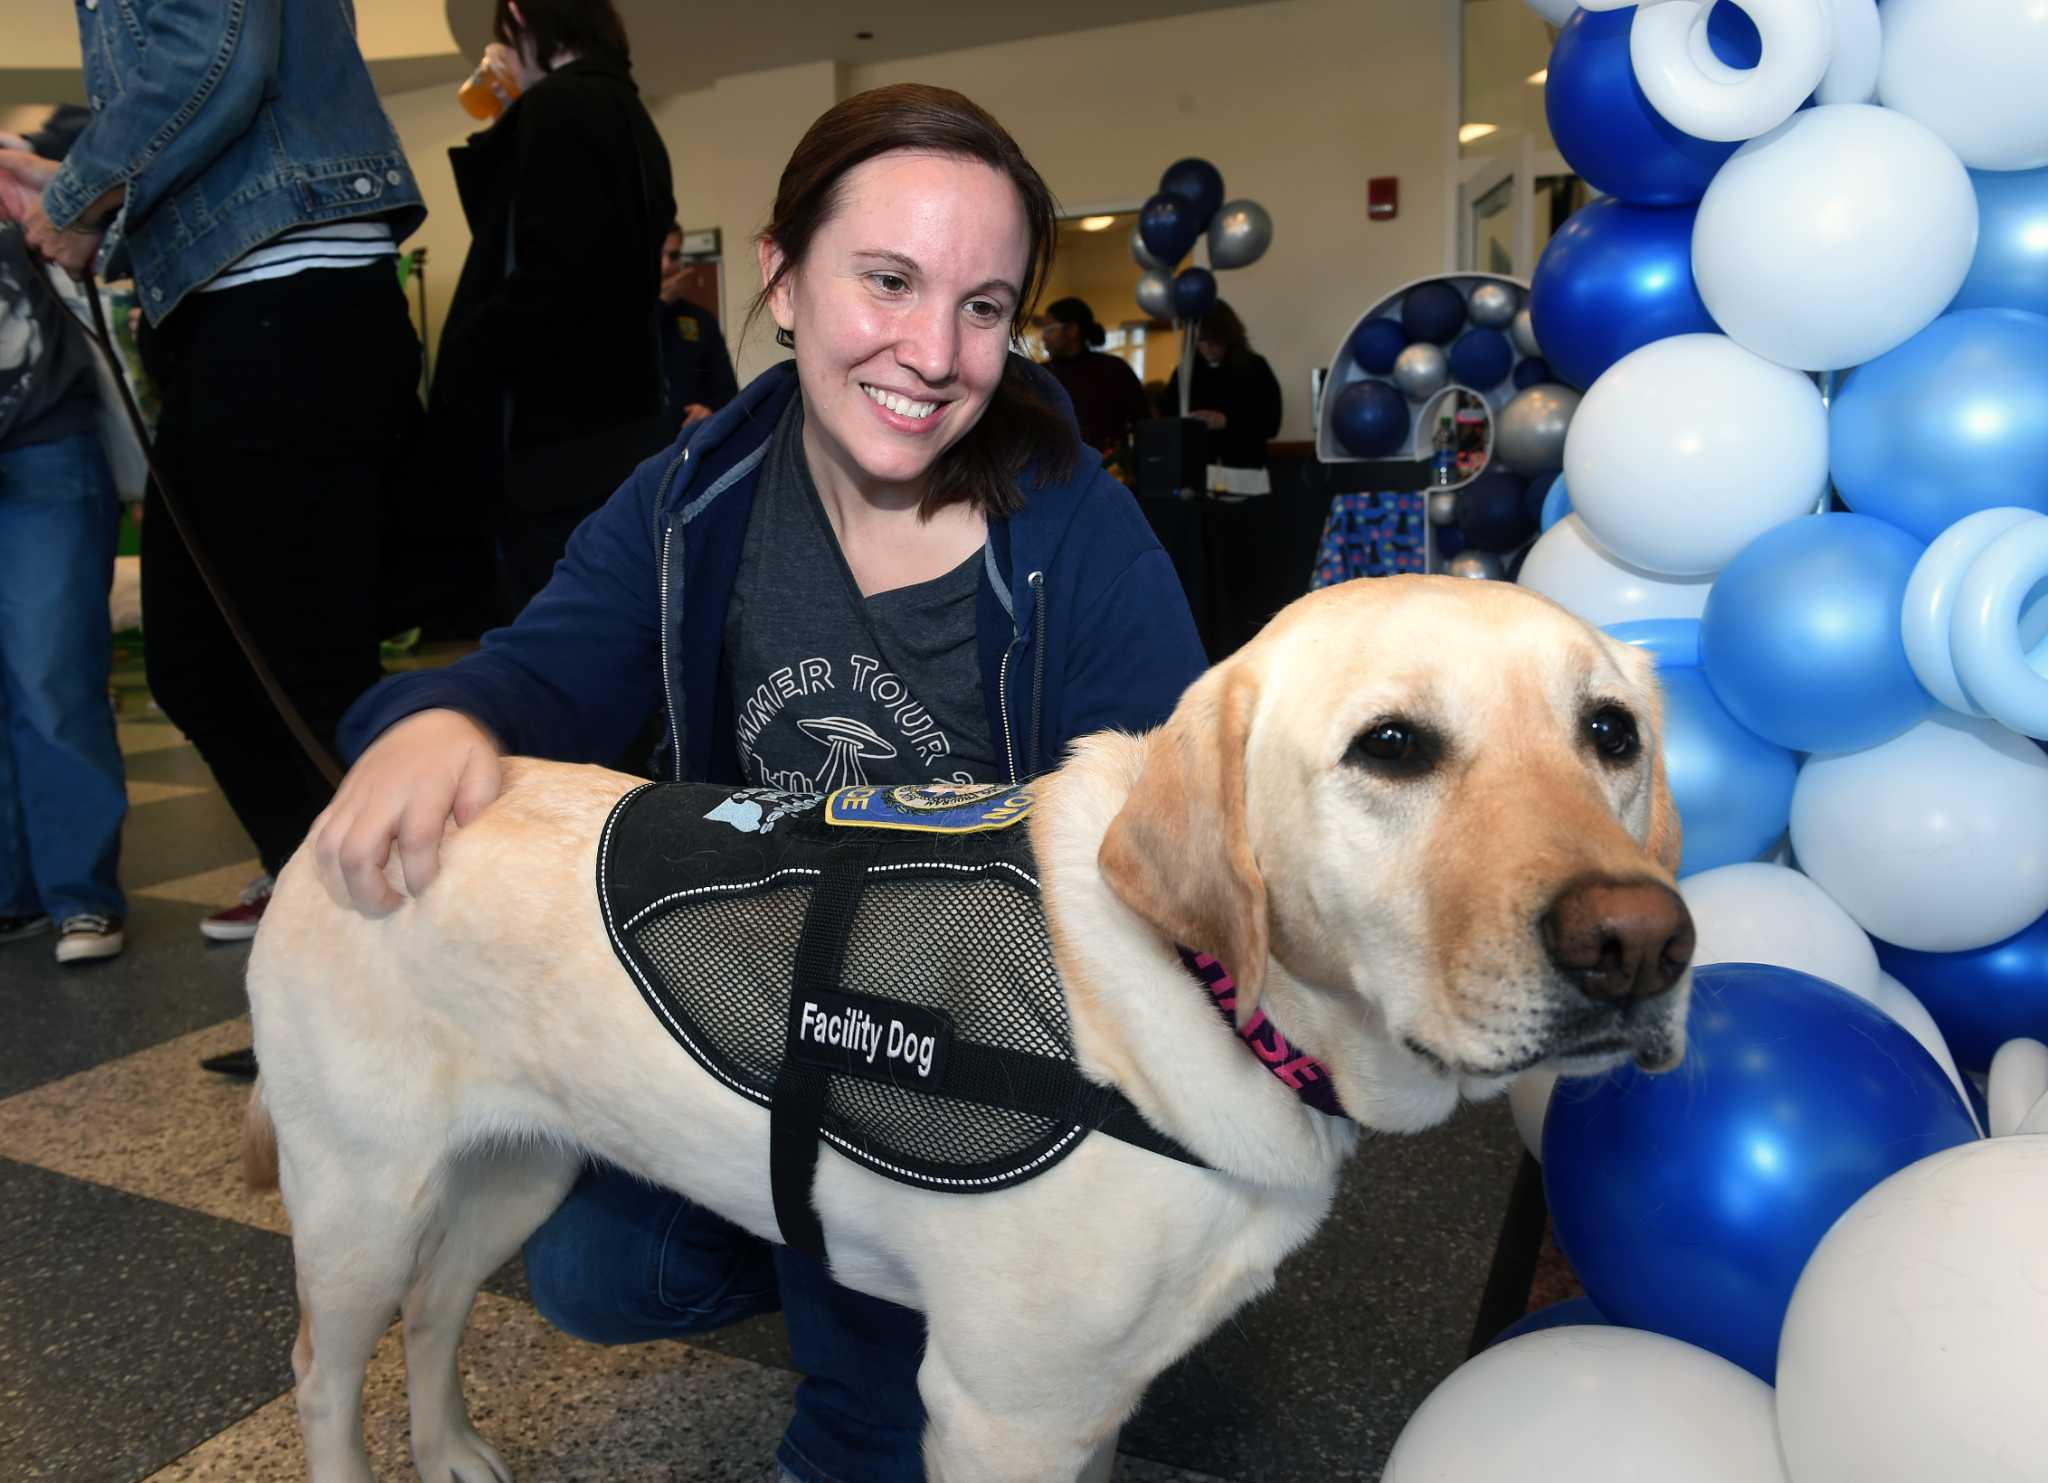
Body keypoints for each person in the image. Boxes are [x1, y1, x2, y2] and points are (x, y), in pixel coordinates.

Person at [320, 82, 1205, 1483]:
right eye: (889, 281)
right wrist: (443, 717)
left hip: (1011, 1052)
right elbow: (545, 669)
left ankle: (915, 1394)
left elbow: (1177, 831)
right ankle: (871, 1333)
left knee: (916, 1257)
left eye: (984, 305)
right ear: (783, 284)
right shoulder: (693, 495)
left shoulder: (1076, 534)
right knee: (597, 1268)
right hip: (774, 1009)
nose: (935, 349)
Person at [0, 0, 425, 959]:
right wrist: (74, 183)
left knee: (257, 671)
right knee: (251, 668)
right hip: (278, 297)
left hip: (279, 302)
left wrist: (73, 202)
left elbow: (211, 59)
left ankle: (374, 954)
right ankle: (354, 943)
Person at [431, 0, 677, 622]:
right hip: (622, 426)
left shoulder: (561, 108)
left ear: (521, 22)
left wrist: (467, 354)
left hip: (553, 444)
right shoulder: (631, 115)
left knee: (547, 640)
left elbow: (546, 278)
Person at [0, 134, 127, 965]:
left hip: (42, 442)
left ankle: (79, 893)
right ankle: (12, 893)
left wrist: (41, 168)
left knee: (50, 670)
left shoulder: (21, 160)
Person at [1164, 297, 1284, 496]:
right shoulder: (1185, 373)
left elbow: (1271, 423)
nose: (1208, 348)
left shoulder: (1255, 368)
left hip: (1245, 478)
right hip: (1197, 480)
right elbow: (1168, 420)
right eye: (1201, 340)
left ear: (1228, 336)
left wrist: (1227, 422)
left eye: (1214, 340)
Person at [1036, 295, 1151, 454]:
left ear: (1072, 330)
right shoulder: (1039, 374)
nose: (1043, 337)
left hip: (1108, 470)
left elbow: (1143, 423)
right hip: (1051, 471)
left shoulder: (1114, 369)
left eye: (1049, 329)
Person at [658, 221, 740, 432]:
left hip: (690, 445)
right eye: (659, 254)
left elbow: (729, 395)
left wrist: (709, 412)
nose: (666, 265)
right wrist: (661, 304)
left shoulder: (702, 320)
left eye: (674, 256)